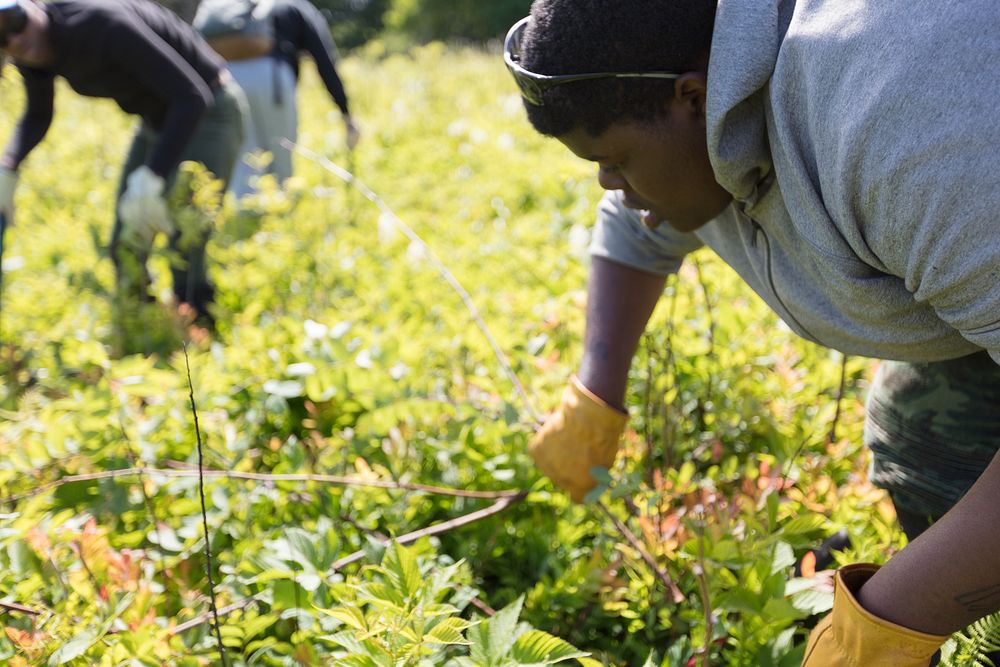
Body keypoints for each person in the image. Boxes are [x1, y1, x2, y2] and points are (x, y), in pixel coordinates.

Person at [504, 1, 1000, 665]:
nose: (612, 186)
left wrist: (894, 614)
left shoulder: (904, 129)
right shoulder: (691, 121)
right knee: (917, 430)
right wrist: (597, 387)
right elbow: (632, 220)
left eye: (616, 160)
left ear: (694, 96)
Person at [0, 0, 247, 327]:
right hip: (155, 122)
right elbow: (38, 114)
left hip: (209, 110)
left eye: (15, 21)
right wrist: (8, 165)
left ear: (34, 6)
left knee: (186, 233)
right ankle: (143, 331)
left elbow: (192, 95)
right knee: (125, 241)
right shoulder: (34, 51)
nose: (14, 40)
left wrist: (153, 175)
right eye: (1, 39)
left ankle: (200, 331)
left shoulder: (101, 24)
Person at [199, 0, 359, 198]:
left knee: (246, 162)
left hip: (227, 77)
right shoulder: (295, 7)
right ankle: (281, 216)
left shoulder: (236, 7)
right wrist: (345, 111)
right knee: (281, 158)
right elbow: (323, 59)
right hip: (271, 78)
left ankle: (247, 221)